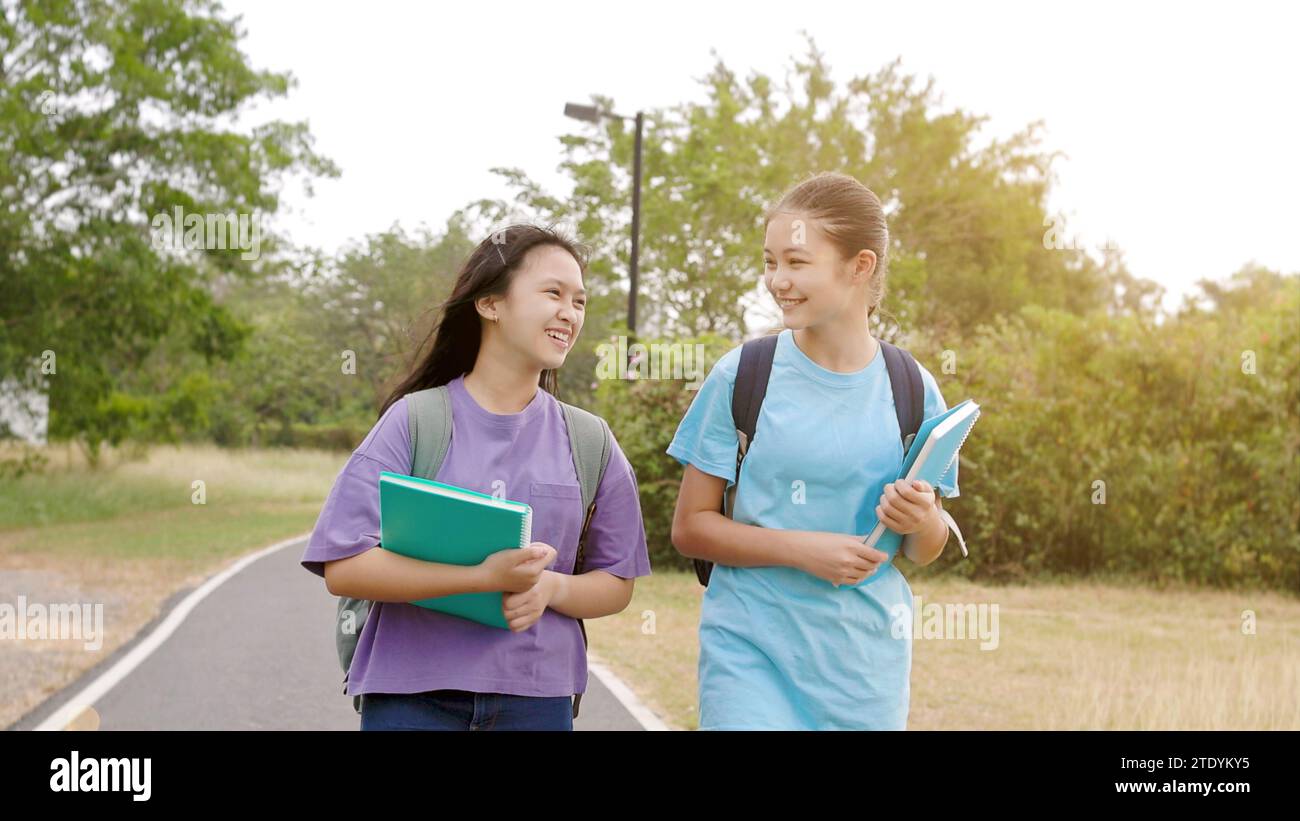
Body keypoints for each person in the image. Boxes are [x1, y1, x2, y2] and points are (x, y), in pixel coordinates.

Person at [301, 224, 652, 730]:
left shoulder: (590, 441)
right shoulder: (414, 421)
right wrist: (482, 579)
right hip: (411, 696)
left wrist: (550, 588)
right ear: (490, 304)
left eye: (579, 301)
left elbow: (616, 582)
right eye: (553, 292)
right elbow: (345, 566)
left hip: (537, 698)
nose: (569, 313)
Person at [667, 172, 959, 730]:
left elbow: (927, 548)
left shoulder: (913, 388)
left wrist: (921, 518)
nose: (778, 280)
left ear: (860, 266)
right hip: (748, 655)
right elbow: (690, 528)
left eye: (796, 262)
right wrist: (802, 550)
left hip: (864, 672)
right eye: (770, 262)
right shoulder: (742, 375)